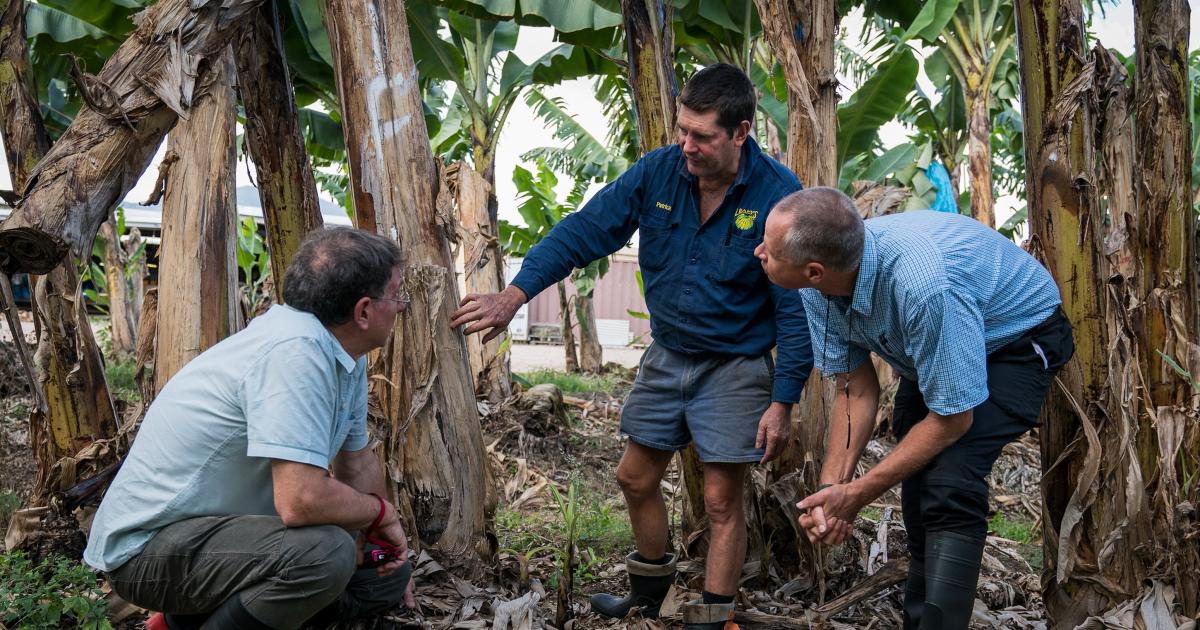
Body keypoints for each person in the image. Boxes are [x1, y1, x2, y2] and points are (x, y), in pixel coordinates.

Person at [450, 63, 813, 629]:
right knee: (634, 477)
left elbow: (796, 310)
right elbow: (584, 229)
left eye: (702, 136)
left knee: (721, 498)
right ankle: (650, 595)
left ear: (741, 132)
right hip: (668, 353)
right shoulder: (660, 172)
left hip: (737, 363)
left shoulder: (779, 195)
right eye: (681, 130)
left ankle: (712, 619)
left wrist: (782, 400)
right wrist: (515, 295)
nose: (686, 146)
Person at [755, 187, 1074, 630]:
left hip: (1014, 341)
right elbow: (855, 391)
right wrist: (832, 494)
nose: (758, 253)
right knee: (918, 480)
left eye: (769, 250)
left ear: (813, 270)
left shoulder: (922, 286)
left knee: (950, 478)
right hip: (934, 344)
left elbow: (952, 419)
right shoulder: (815, 287)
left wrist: (859, 495)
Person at [84, 227, 416, 630]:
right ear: (363, 312)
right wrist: (380, 511)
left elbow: (357, 463)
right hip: (148, 550)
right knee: (325, 555)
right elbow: (301, 500)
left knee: (385, 576)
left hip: (218, 536)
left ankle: (185, 621)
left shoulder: (342, 352)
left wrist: (380, 534)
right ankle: (191, 621)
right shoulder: (296, 353)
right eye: (397, 294)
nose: (401, 306)